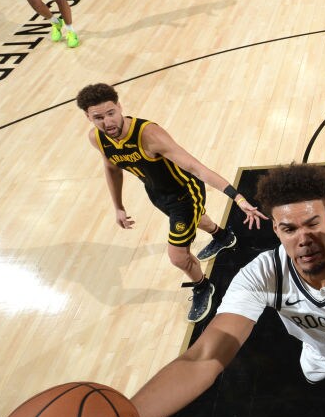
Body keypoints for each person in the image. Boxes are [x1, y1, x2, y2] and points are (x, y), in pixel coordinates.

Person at [77, 82, 267, 323]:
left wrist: (237, 197)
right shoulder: (97, 138)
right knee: (195, 221)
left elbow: (194, 167)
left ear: (120, 106)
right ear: (88, 117)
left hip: (184, 195)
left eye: (111, 113)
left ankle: (202, 286)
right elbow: (111, 168)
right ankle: (222, 237)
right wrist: (118, 206)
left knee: (178, 256)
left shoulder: (148, 134)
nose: (108, 122)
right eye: (98, 117)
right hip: (157, 193)